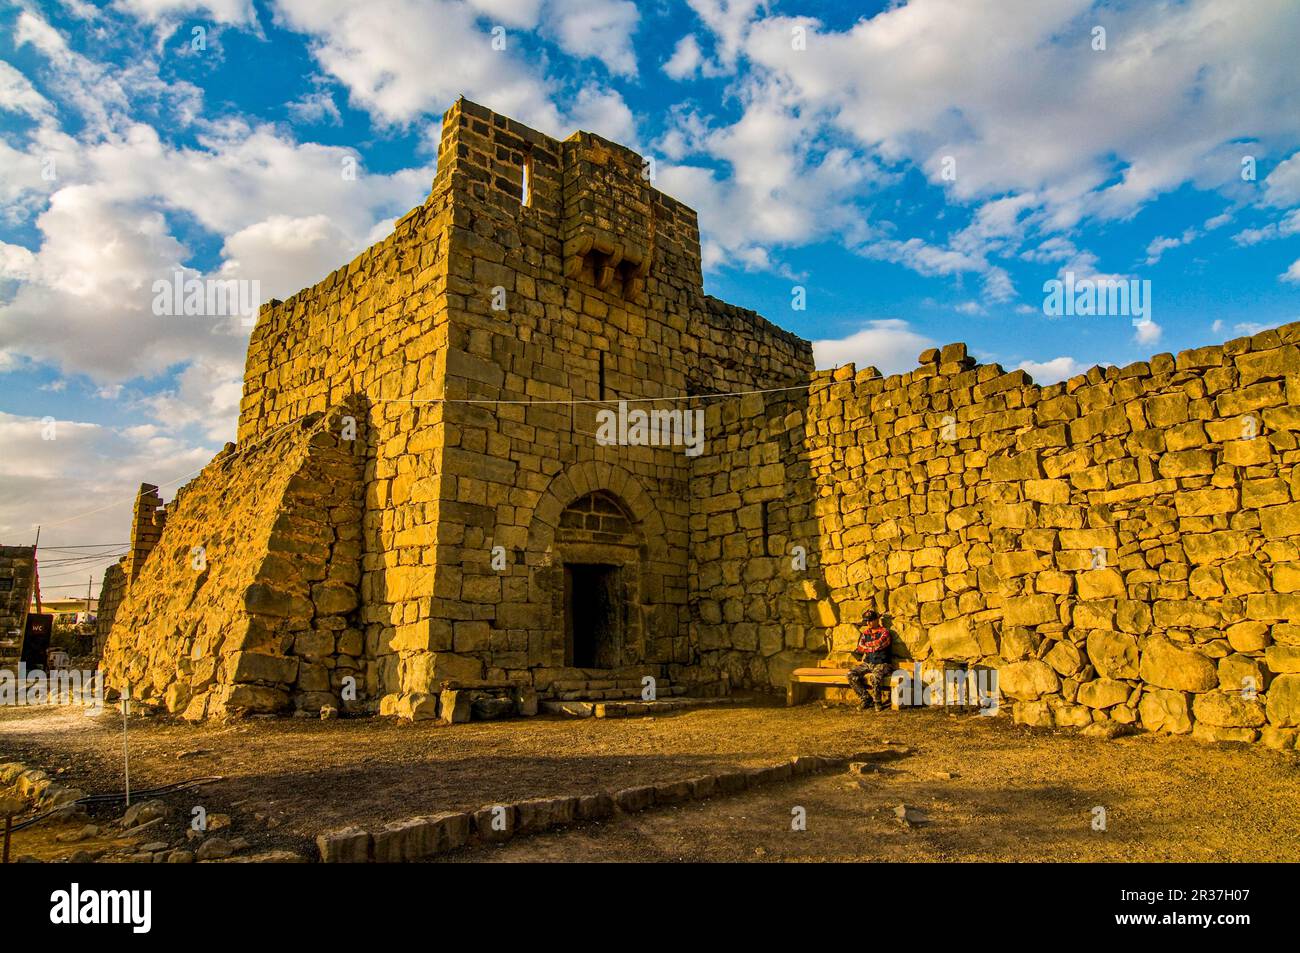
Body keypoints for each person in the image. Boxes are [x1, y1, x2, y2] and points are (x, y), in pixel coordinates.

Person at [847, 610, 892, 711]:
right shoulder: (865, 633)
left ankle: (877, 702)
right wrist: (870, 646)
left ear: (877, 620)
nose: (868, 623)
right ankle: (866, 699)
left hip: (882, 663)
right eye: (866, 621)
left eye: (870, 620)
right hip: (868, 663)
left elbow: (879, 644)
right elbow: (860, 648)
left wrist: (867, 646)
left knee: (875, 677)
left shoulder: (884, 632)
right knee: (850, 674)